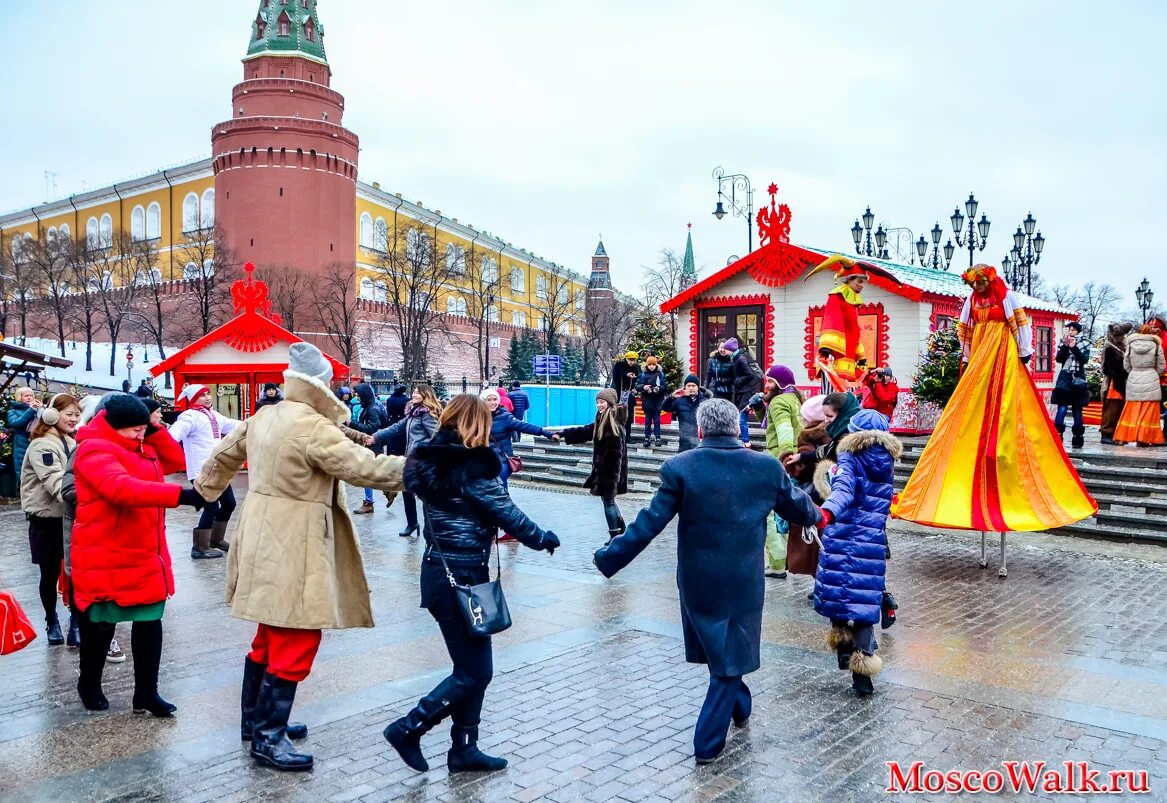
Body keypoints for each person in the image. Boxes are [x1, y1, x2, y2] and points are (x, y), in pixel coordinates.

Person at [195, 343, 406, 772]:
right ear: (322, 385)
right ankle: (269, 738)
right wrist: (421, 469)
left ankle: (254, 722)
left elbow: (221, 456)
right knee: (298, 636)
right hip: (296, 539)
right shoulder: (312, 425)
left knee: (270, 631)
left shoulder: (264, 416)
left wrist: (202, 491)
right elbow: (362, 467)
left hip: (260, 531)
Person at [593, 399, 823, 764]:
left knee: (723, 651)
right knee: (729, 655)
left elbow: (649, 522)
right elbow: (804, 511)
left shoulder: (681, 467)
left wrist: (610, 557)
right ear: (736, 428)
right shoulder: (764, 466)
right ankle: (707, 744)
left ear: (701, 430)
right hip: (744, 581)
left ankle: (741, 706)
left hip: (698, 580)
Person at [383, 395, 559, 775]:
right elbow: (507, 512)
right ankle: (408, 727)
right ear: (476, 424)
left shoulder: (429, 461)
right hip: (461, 577)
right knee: (475, 672)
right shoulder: (471, 465)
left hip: (440, 573)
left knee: (470, 667)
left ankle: (465, 747)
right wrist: (543, 537)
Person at [893, 265, 1097, 533]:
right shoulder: (971, 301)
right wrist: (966, 356)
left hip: (1002, 348)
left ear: (987, 281)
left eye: (979, 284)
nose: (976, 289)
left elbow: (1020, 324)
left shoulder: (1006, 297)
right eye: (973, 285)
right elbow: (965, 328)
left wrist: (1024, 351)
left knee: (1003, 390)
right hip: (980, 350)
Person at [72, 393, 204, 714]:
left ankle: (146, 693)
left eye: (142, 429)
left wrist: (152, 428)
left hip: (146, 551)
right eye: (133, 430)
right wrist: (181, 496)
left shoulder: (143, 444)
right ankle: (89, 683)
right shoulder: (93, 448)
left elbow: (175, 460)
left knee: (149, 622)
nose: (139, 435)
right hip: (106, 553)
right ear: (113, 426)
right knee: (101, 625)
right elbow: (121, 488)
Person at [813, 410, 899, 697]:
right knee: (863, 601)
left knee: (837, 593)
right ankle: (863, 671)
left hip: (843, 534)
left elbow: (844, 491)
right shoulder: (886, 461)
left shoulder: (849, 457)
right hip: (871, 541)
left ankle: (842, 647)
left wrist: (826, 512)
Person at [20, 394, 82, 648]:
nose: (75, 418)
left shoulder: (72, 442)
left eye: (77, 413)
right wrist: (84, 498)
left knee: (76, 573)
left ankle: (76, 623)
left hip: (71, 517)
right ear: (52, 415)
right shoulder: (42, 445)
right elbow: (56, 481)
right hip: (47, 520)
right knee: (48, 574)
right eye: (69, 413)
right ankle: (51, 620)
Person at [169, 384, 241, 558]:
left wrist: (256, 422)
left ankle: (215, 540)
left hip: (217, 468)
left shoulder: (213, 415)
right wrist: (167, 440)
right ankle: (200, 548)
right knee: (212, 506)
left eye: (208, 394)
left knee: (229, 503)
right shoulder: (190, 416)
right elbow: (175, 432)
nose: (208, 397)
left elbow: (233, 425)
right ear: (194, 400)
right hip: (201, 471)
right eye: (202, 396)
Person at [750, 365, 804, 580]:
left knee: (768, 511)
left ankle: (777, 562)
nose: (767, 385)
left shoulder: (780, 401)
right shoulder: (793, 399)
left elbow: (783, 429)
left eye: (771, 381)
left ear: (780, 383)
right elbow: (776, 422)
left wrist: (785, 456)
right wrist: (761, 409)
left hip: (778, 458)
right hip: (796, 456)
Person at [372, 384, 442, 537]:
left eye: (418, 392)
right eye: (414, 392)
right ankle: (412, 523)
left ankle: (432, 529)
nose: (414, 394)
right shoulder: (413, 413)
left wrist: (424, 452)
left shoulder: (427, 414)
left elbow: (437, 437)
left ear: (426, 395)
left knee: (424, 496)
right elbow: (396, 427)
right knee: (407, 490)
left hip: (421, 460)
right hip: (411, 458)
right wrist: (376, 436)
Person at [558, 388, 629, 540]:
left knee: (608, 501)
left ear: (609, 403)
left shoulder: (612, 425)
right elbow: (585, 431)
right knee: (609, 501)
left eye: (602, 402)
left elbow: (617, 455)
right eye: (597, 402)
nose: (599, 405)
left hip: (610, 472)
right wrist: (563, 433)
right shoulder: (602, 418)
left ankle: (615, 537)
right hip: (604, 470)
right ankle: (623, 532)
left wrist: (612, 480)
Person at [479, 388, 557, 489]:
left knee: (500, 488)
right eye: (489, 400)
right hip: (484, 461)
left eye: (495, 399)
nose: (493, 402)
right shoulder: (476, 417)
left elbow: (524, 426)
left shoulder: (505, 416)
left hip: (501, 460)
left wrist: (547, 433)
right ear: (482, 401)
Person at [1114, 324, 1166, 447]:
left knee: (1132, 409)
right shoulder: (1156, 345)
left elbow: (1126, 364)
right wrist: (1153, 373)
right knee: (1149, 410)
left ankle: (1123, 437)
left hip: (1134, 377)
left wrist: (1133, 372)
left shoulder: (1131, 345)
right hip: (1150, 377)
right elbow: (1161, 366)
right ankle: (1144, 438)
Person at [349, 383, 389, 515]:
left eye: (359, 396)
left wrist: (352, 424)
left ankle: (369, 502)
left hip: (372, 444)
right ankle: (387, 490)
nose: (358, 398)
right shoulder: (376, 405)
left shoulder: (372, 409)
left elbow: (372, 428)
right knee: (372, 472)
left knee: (367, 473)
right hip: (376, 444)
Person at [1052, 321, 1091, 448]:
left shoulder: (1084, 342)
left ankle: (1078, 436)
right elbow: (1059, 359)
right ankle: (1058, 434)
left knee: (1077, 409)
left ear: (1078, 331)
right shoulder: (1062, 341)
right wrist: (1065, 345)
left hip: (1078, 378)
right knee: (1062, 407)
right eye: (1069, 329)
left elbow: (1084, 360)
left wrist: (1074, 347)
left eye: (1073, 330)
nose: (1070, 331)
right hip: (1064, 377)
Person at [723, 338, 763, 445]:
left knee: (742, 417)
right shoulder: (736, 357)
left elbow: (749, 374)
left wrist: (737, 381)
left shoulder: (740, 359)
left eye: (725, 349)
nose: (724, 351)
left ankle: (746, 441)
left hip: (746, 391)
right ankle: (745, 440)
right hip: (743, 391)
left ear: (730, 349)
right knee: (742, 415)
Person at [1100, 323, 1133, 445]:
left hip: (1120, 382)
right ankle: (1107, 432)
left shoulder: (1120, 348)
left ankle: (1113, 433)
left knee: (1117, 408)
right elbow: (1109, 369)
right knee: (1112, 409)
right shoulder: (1110, 349)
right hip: (1114, 383)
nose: (1123, 337)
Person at [662, 374, 712, 453]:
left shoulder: (705, 401)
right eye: (688, 386)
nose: (691, 388)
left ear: (698, 387)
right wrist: (672, 397)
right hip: (684, 442)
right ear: (685, 387)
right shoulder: (679, 400)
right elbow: (665, 408)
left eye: (693, 385)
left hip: (701, 441)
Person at [8, 386, 41, 484]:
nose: (29, 397)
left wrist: (42, 409)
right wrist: (30, 410)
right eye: (26, 396)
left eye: (31, 395)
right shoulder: (13, 411)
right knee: (23, 471)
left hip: (36, 442)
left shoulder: (37, 409)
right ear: (19, 397)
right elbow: (15, 423)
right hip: (22, 442)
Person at [817, 392, 861, 461]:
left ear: (843, 414)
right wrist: (802, 456)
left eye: (830, 416)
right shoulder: (842, 431)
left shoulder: (846, 437)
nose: (826, 420)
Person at [637, 356, 668, 448]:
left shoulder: (660, 374)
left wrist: (659, 388)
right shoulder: (643, 374)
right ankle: (647, 437)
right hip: (647, 401)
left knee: (657, 421)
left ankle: (658, 437)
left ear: (656, 365)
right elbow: (637, 385)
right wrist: (643, 387)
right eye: (649, 364)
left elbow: (665, 385)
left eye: (653, 364)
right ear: (647, 365)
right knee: (647, 421)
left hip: (657, 401)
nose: (651, 366)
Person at [610, 350, 641, 438]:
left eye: (634, 360)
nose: (632, 362)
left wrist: (635, 387)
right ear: (626, 359)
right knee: (618, 414)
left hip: (629, 394)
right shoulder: (619, 365)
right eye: (630, 360)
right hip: (618, 393)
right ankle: (617, 434)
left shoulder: (635, 367)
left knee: (629, 415)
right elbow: (615, 378)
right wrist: (625, 375)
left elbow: (638, 379)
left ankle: (628, 436)